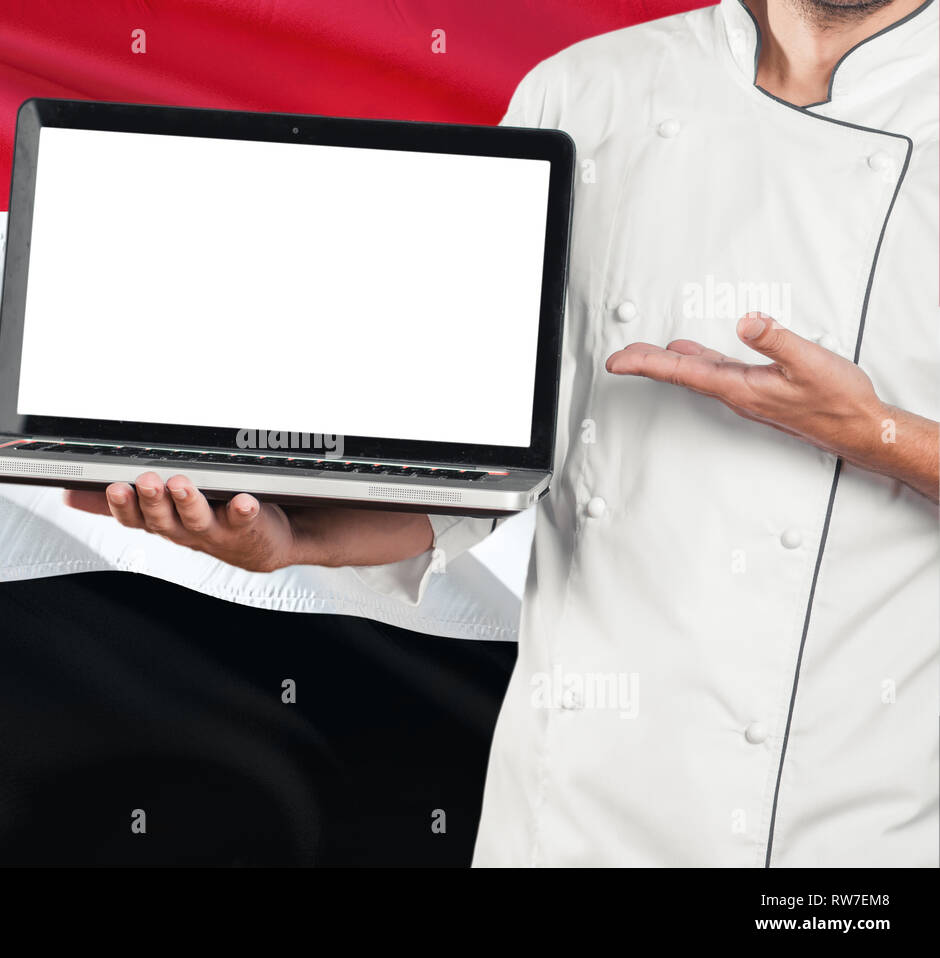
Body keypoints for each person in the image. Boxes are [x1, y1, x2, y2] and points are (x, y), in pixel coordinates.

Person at [66, 0, 939, 866]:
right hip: (573, 817)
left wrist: (876, 434)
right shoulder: (586, 91)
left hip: (855, 827)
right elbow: (491, 457)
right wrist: (300, 537)